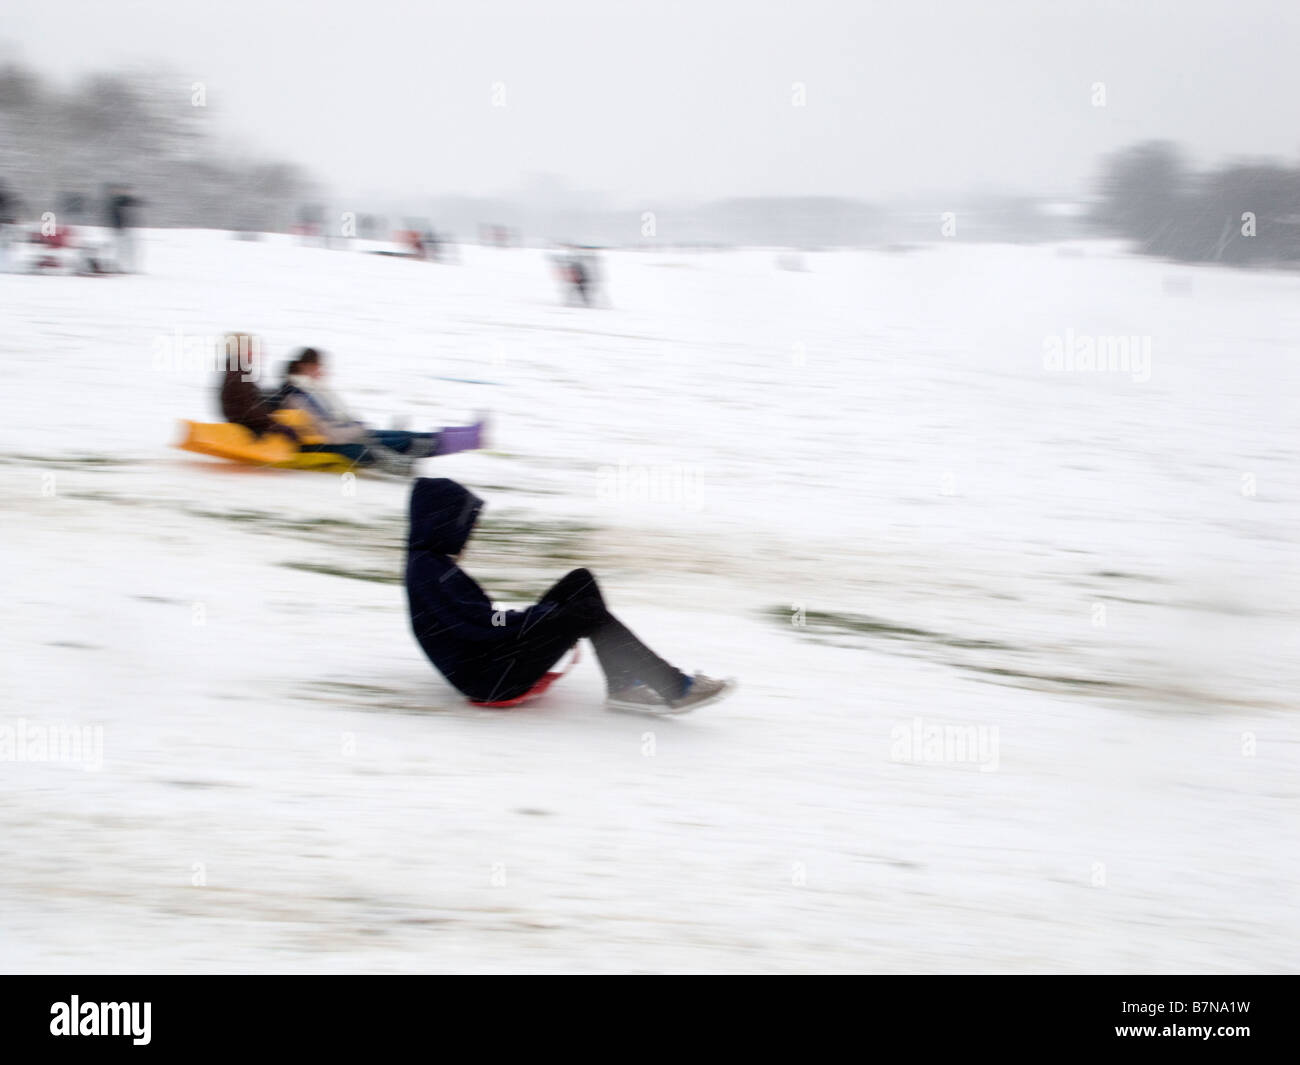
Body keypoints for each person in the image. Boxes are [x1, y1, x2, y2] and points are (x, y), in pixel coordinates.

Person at [405, 478, 735, 712]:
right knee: (585, 611)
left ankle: (623, 686)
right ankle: (676, 688)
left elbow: (478, 621)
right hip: (489, 679)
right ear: (442, 523)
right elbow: (481, 624)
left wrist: (542, 618)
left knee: (580, 582)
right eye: (466, 523)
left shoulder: (430, 563)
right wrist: (546, 618)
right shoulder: (429, 571)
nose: (471, 532)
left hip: (490, 659)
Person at [218, 333, 302, 444]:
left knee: (284, 395)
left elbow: (250, 405)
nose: (254, 353)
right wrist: (277, 426)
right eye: (251, 349)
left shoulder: (238, 372)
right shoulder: (238, 375)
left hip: (251, 422)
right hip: (250, 427)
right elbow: (249, 411)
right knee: (291, 402)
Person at [105, 184, 143, 272]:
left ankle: (127, 267)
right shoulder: (115, 201)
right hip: (119, 229)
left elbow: (132, 202)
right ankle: (121, 266)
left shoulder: (120, 201)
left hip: (123, 228)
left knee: (125, 249)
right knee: (121, 249)